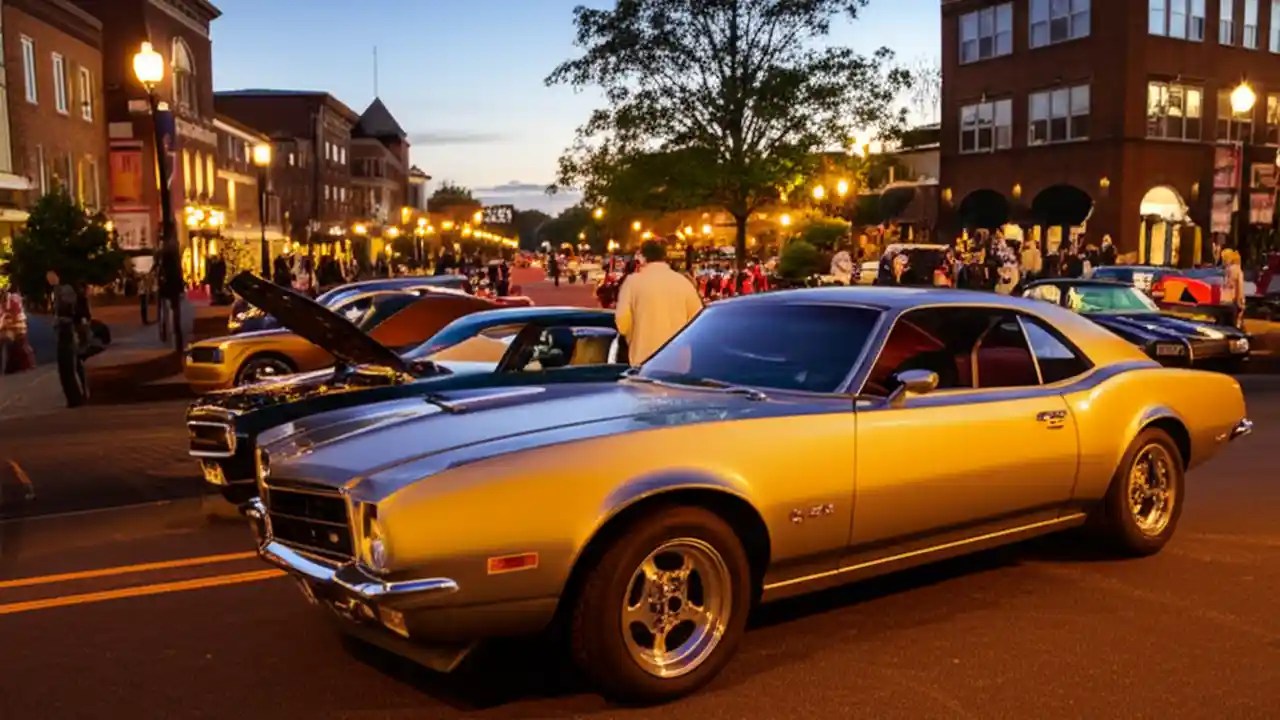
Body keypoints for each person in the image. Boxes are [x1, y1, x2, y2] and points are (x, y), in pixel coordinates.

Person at [615, 240, 703, 366]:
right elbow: (697, 322)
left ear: (643, 257)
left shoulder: (632, 283)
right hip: (678, 361)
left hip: (644, 359)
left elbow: (622, 323)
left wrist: (634, 336)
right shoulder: (683, 283)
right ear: (665, 256)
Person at [47, 270, 87, 407]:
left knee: (70, 364)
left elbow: (68, 308)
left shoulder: (65, 289)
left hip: (67, 330)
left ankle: (77, 396)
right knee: (65, 367)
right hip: (63, 330)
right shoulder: (56, 290)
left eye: (52, 275)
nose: (49, 279)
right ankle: (73, 397)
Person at [1221, 248, 1246, 328]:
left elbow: (1235, 286)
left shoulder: (1230, 270)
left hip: (1227, 299)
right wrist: (1241, 301)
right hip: (1232, 299)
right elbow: (1239, 287)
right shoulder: (1237, 270)